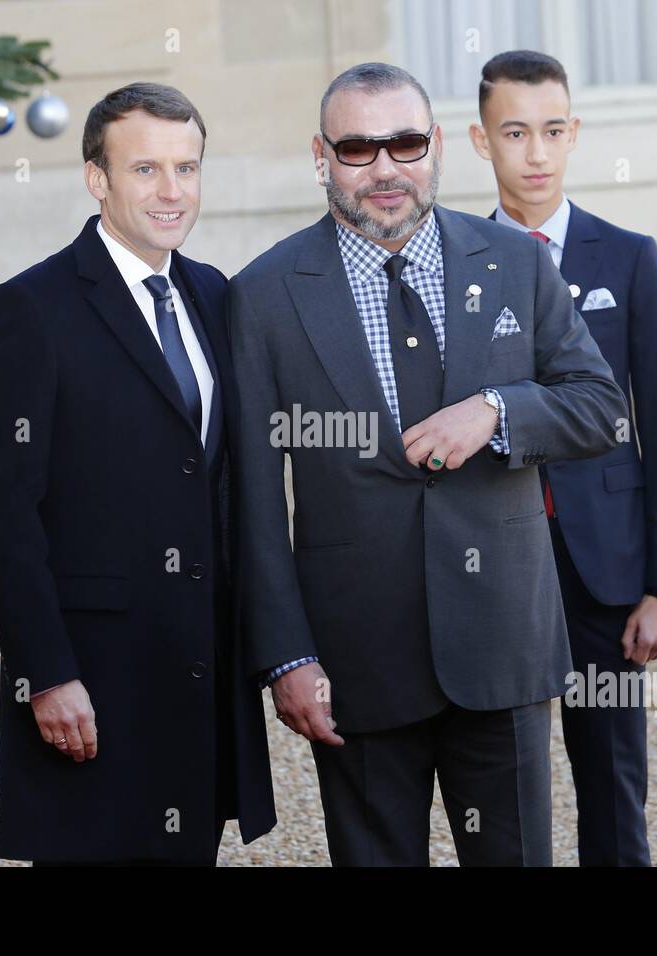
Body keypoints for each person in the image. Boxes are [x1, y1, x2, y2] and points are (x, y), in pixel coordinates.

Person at [229, 62, 627, 866]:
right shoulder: (265, 293)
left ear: (438, 146)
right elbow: (254, 501)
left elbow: (600, 406)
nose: (384, 168)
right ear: (321, 156)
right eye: (358, 147)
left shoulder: (514, 261)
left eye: (405, 143)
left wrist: (498, 410)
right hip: (355, 659)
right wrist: (287, 657)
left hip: (503, 645)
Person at [0, 82, 275, 866]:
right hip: (95, 682)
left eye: (187, 168)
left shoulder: (212, 293)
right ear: (97, 178)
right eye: (146, 170)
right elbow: (2, 516)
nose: (172, 191)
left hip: (197, 674)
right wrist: (47, 674)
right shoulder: (28, 311)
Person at [471, 50, 657, 866]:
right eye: (515, 132)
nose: (535, 152)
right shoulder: (451, 261)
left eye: (552, 131)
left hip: (606, 567)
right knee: (503, 784)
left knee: (611, 780)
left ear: (575, 135)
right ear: (480, 140)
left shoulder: (627, 257)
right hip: (494, 560)